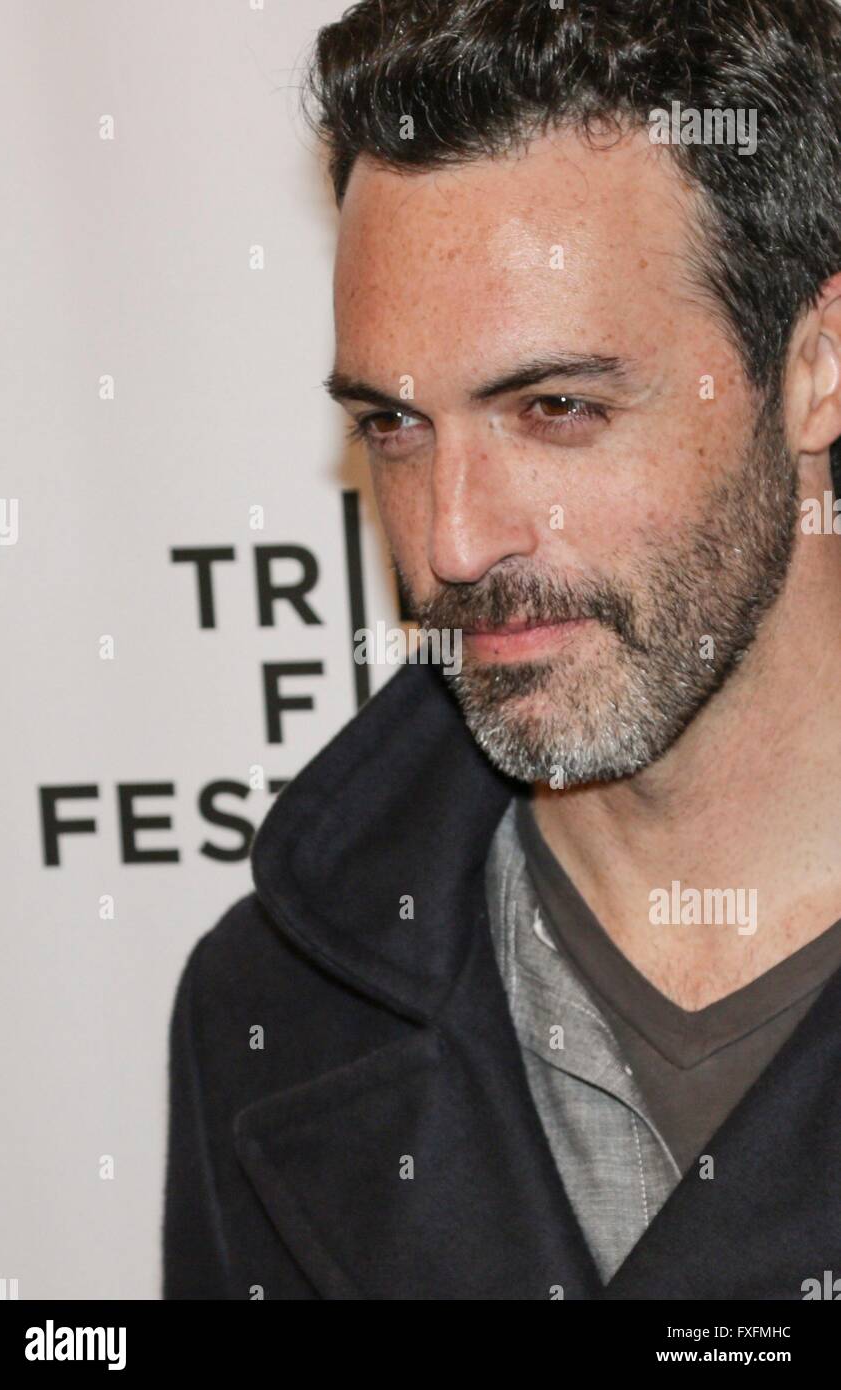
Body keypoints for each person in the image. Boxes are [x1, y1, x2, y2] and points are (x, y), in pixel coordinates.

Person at [162, 0, 841, 1300]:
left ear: (814, 361)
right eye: (394, 427)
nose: (452, 542)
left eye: (555, 407)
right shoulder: (274, 1011)